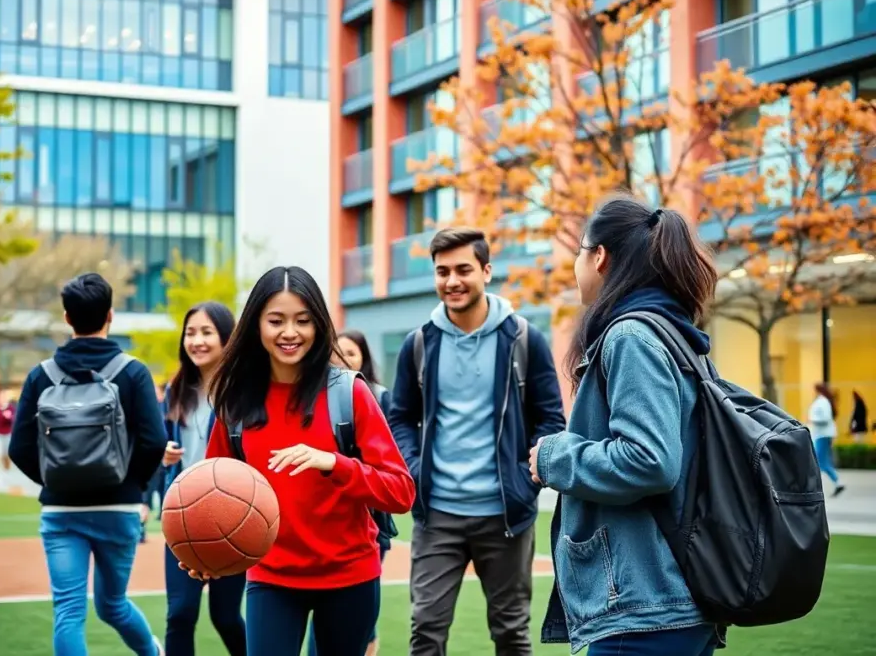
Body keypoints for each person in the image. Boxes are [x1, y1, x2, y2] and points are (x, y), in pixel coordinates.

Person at [179, 266, 415, 656]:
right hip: (271, 579)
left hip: (349, 578)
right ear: (256, 325)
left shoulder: (350, 394)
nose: (290, 332)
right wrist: (204, 554)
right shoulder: (234, 402)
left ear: (319, 325)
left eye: (303, 321)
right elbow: (211, 494)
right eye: (276, 321)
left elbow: (401, 492)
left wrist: (333, 463)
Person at [529, 196, 721, 655]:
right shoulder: (671, 331)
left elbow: (649, 460)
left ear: (599, 257)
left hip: (645, 605)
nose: (575, 264)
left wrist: (553, 456)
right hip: (672, 596)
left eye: (579, 251)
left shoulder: (632, 336)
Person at [387, 227, 565, 656]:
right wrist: (413, 471)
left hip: (506, 513)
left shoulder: (524, 339)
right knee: (426, 632)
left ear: (486, 271)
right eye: (442, 271)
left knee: (510, 634)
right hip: (437, 514)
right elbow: (400, 418)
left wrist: (527, 481)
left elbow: (550, 419)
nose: (452, 281)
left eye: (463, 269)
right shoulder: (419, 344)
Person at [9, 273, 168, 656]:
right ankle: (152, 652)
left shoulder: (41, 375)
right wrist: (133, 485)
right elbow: (155, 441)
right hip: (119, 508)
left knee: (69, 612)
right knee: (113, 604)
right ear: (110, 315)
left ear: (67, 318)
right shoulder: (132, 372)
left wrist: (52, 478)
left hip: (61, 511)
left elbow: (18, 447)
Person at [159, 302, 246, 656]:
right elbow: (163, 451)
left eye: (207, 332)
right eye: (191, 332)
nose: (196, 341)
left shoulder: (242, 394)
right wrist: (162, 456)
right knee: (180, 614)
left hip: (230, 518)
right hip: (182, 515)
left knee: (225, 616)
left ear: (227, 339)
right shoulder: (175, 390)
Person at [306, 329, 392, 656]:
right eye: (337, 352)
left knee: (355, 622)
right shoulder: (316, 396)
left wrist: (341, 465)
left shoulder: (376, 396)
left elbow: (392, 468)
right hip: (319, 525)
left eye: (351, 353)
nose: (343, 359)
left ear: (363, 358)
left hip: (368, 521)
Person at [809, 383, 846, 496]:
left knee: (818, 461)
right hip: (821, 434)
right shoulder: (822, 401)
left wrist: (812, 419)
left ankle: (813, 486)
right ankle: (838, 483)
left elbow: (825, 418)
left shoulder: (823, 401)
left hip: (823, 435)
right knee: (823, 461)